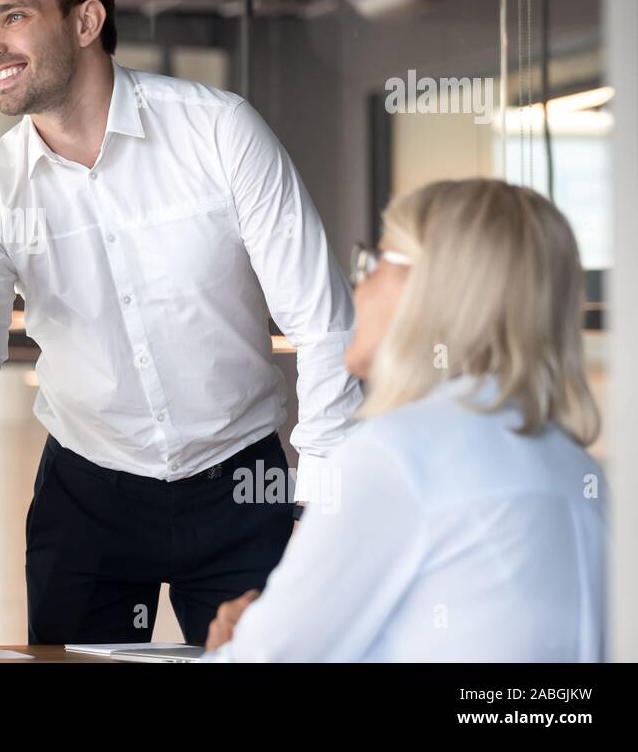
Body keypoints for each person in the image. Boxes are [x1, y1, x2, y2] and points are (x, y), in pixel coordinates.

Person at [0, 0, 363, 645]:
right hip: (88, 497)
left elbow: (325, 323)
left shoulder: (218, 133)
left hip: (243, 485)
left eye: (13, 17)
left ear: (87, 20)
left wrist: (321, 504)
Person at [204, 179, 606, 661]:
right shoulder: (578, 468)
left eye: (376, 261)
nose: (359, 283)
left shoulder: (396, 457)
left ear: (434, 291)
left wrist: (233, 645)